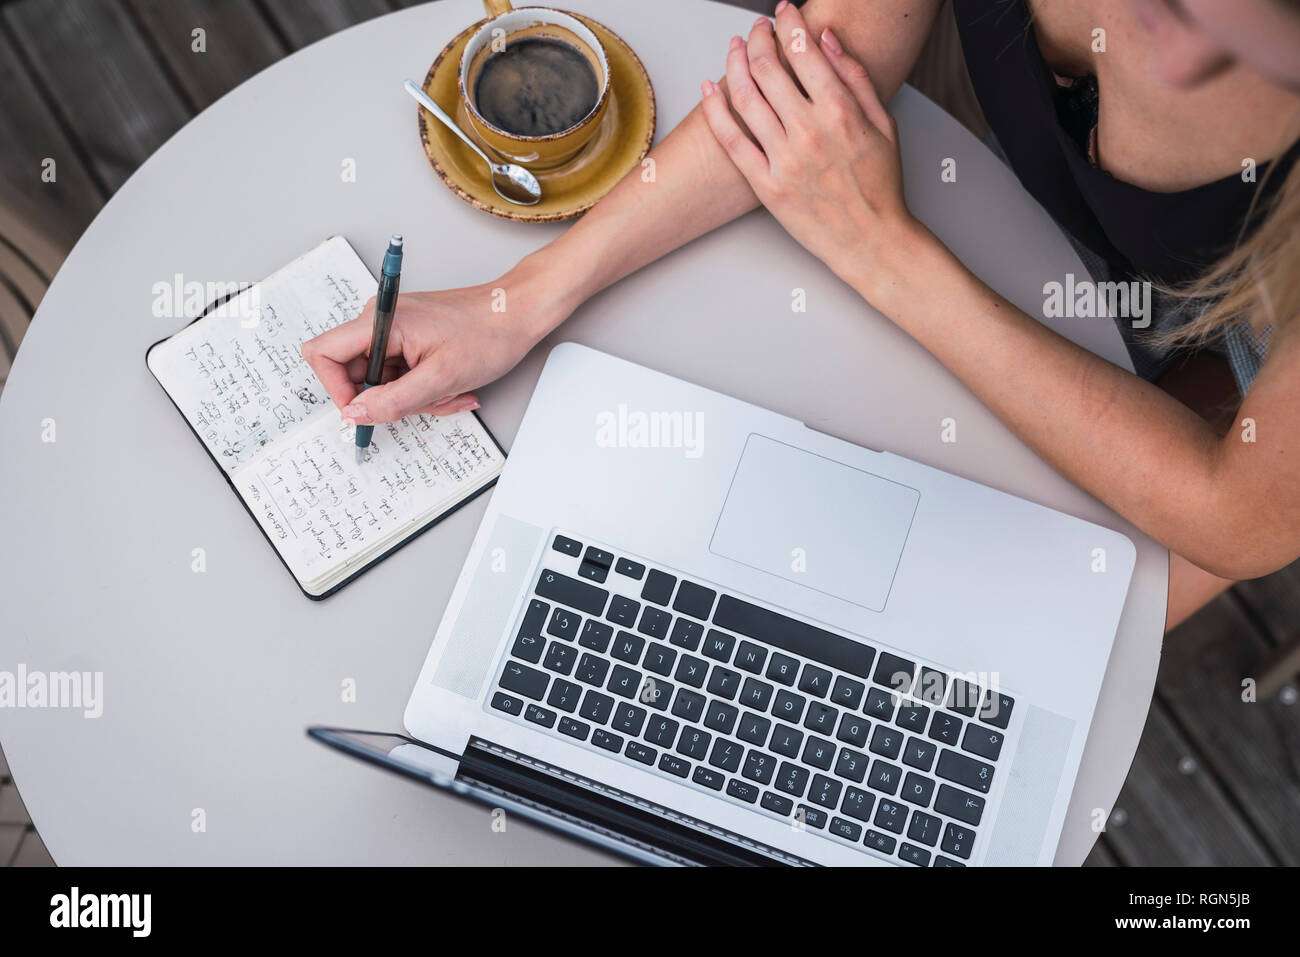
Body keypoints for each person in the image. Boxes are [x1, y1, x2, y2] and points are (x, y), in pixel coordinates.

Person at [302, 0, 1300, 631]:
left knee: (954, 661)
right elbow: (835, 54)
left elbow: (1236, 514)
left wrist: (886, 254)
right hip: (978, 223)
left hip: (1233, 402)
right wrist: (519, 299)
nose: (1168, 40)